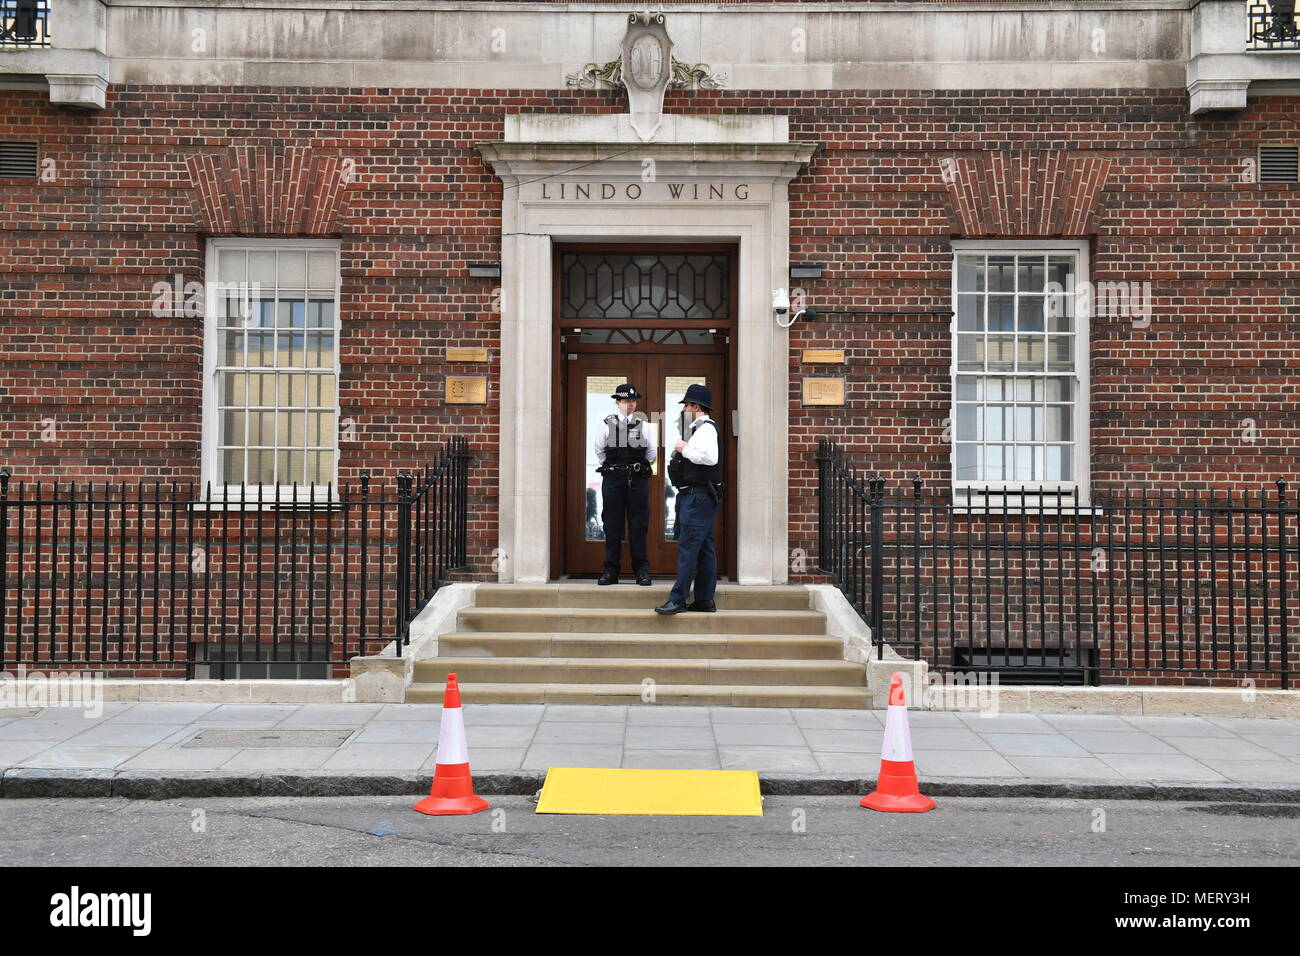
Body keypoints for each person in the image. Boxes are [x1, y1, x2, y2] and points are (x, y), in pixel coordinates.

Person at [655, 383, 722, 614]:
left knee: (688, 548)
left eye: (686, 404)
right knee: (703, 548)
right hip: (695, 497)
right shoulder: (698, 428)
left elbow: (710, 458)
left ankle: (678, 599)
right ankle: (704, 599)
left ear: (696, 406)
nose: (683, 409)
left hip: (697, 498)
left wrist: (684, 449)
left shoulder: (705, 429)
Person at [594, 383, 655, 586]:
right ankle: (611, 572)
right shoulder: (605, 424)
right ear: (617, 402)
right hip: (613, 479)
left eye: (633, 400)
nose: (630, 404)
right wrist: (617, 470)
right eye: (626, 400)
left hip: (637, 480)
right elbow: (600, 451)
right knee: (612, 525)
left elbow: (652, 454)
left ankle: (642, 572)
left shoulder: (644, 424)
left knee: (639, 525)